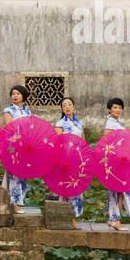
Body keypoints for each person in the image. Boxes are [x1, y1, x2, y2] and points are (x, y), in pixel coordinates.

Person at [104, 97, 130, 230]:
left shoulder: (118, 123)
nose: (118, 110)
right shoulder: (110, 124)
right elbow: (107, 143)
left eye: (120, 107)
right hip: (115, 161)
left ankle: (114, 219)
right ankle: (114, 220)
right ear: (109, 109)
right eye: (115, 107)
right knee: (117, 190)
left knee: (119, 190)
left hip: (122, 160)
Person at [0, 85, 33, 213]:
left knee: (23, 175)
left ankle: (15, 202)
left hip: (25, 146)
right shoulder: (8, 110)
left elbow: (30, 129)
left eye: (18, 94)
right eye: (13, 93)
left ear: (23, 96)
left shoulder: (27, 112)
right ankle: (16, 205)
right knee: (14, 175)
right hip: (13, 146)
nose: (15, 96)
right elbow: (10, 127)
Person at [55, 97, 85, 227]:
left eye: (69, 104)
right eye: (64, 105)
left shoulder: (80, 123)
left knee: (77, 188)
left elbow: (83, 142)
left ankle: (74, 216)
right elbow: (57, 143)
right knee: (65, 187)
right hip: (64, 159)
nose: (67, 107)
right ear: (62, 109)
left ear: (74, 107)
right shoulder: (59, 124)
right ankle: (66, 218)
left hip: (77, 159)